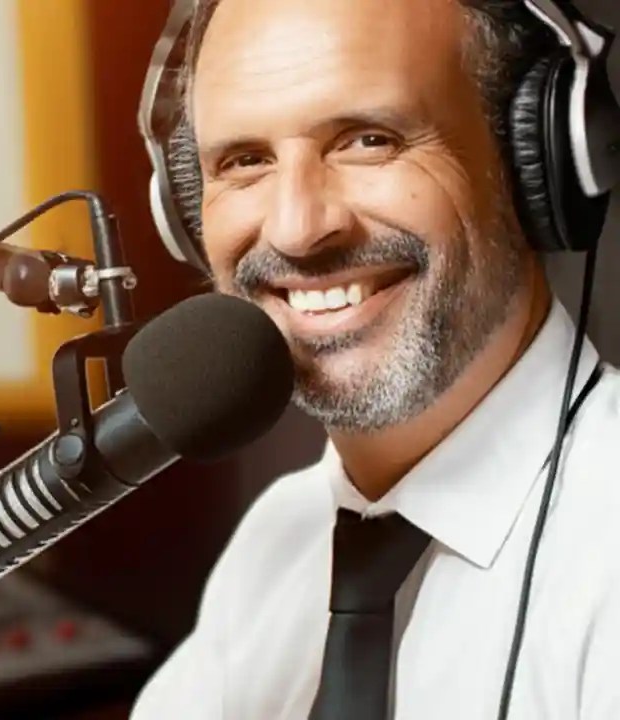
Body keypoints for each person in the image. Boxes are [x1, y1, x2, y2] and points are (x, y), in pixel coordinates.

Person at [130, 0, 620, 717]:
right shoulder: (277, 542)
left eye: (367, 140)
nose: (297, 228)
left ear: (531, 162)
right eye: (245, 161)